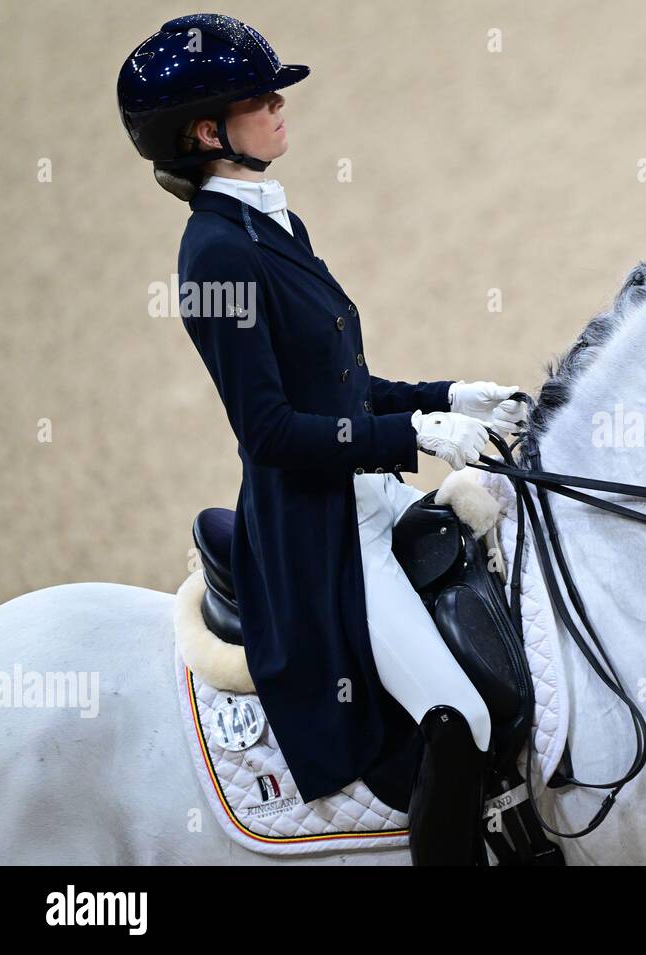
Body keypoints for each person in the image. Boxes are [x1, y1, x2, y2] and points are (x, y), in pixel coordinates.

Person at [118, 14, 523, 864]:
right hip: (320, 532)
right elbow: (270, 431)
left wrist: (450, 394)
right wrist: (412, 431)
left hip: (369, 492)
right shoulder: (216, 254)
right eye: (260, 98)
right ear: (207, 131)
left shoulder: (273, 225)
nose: (279, 107)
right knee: (459, 718)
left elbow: (338, 386)